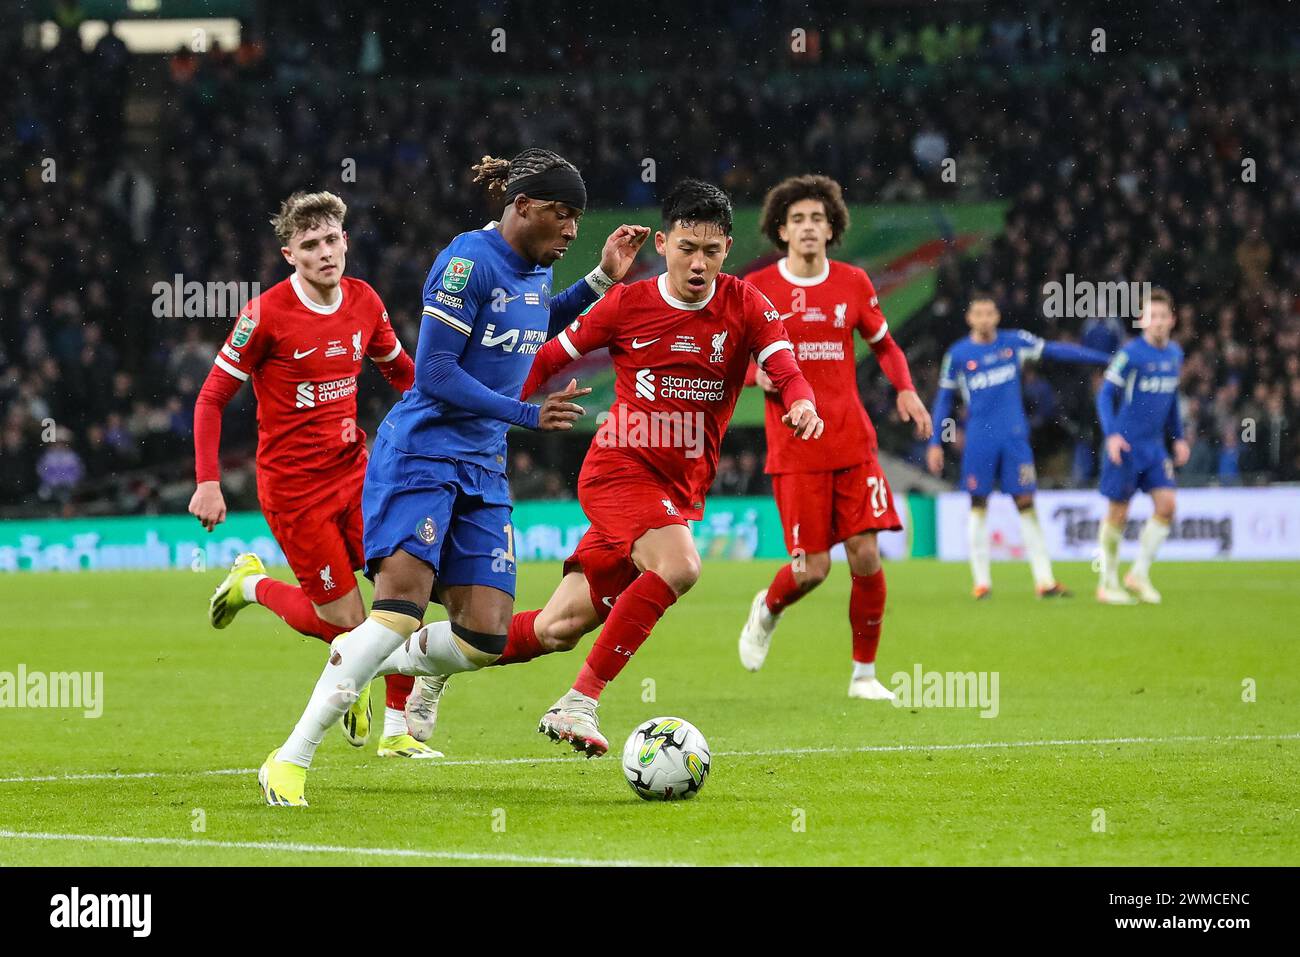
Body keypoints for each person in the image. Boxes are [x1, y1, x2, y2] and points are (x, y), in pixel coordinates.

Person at [256, 150, 649, 805]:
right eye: (563, 213)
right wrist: (526, 411)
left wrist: (601, 280)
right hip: (424, 455)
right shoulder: (466, 262)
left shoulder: (535, 269)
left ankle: (388, 660)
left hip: (483, 466)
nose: (573, 229)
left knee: (485, 635)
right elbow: (434, 372)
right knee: (397, 609)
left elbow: (529, 324)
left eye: (577, 217)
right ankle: (290, 758)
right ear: (522, 206)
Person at [383, 179, 821, 758]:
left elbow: (785, 366)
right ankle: (578, 703)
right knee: (681, 565)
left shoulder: (745, 304)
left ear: (727, 252)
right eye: (687, 247)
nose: (698, 263)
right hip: (619, 470)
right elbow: (543, 359)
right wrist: (494, 416)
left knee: (556, 629)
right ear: (662, 244)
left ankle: (435, 660)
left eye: (711, 252)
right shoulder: (626, 303)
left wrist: (802, 401)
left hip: (678, 486)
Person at [189, 190, 430, 758]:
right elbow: (210, 399)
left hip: (357, 475)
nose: (325, 252)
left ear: (345, 241)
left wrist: (441, 420)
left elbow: (401, 373)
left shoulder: (365, 302)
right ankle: (251, 584)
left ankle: (398, 731)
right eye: (310, 245)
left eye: (331, 240)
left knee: (407, 587)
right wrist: (207, 480)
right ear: (288, 255)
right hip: (296, 493)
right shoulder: (265, 315)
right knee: (347, 624)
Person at [737, 174, 932, 700]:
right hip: (796, 450)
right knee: (812, 569)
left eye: (817, 219)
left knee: (866, 555)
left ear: (832, 228)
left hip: (852, 443)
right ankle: (768, 608)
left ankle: (864, 675)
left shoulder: (853, 283)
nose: (808, 227)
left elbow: (886, 346)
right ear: (781, 229)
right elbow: (740, 362)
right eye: (797, 219)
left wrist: (906, 390)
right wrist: (765, 377)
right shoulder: (759, 290)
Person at [927, 295, 1111, 598]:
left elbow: (1056, 351)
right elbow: (944, 401)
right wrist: (937, 441)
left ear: (997, 316)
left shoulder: (1014, 343)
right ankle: (982, 582)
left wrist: (1103, 359)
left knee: (1026, 503)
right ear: (969, 318)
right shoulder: (958, 355)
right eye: (978, 313)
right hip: (979, 440)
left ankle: (1045, 581)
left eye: (989, 312)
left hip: (1014, 438)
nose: (984, 318)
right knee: (977, 505)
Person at [1095, 288, 1188, 605]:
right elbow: (1105, 395)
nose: (1158, 322)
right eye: (1152, 316)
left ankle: (1138, 574)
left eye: (1164, 316)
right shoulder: (1130, 354)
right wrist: (1111, 435)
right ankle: (1107, 583)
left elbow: (1172, 399)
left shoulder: (1175, 354)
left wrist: (1178, 436)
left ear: (1172, 320)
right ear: (1141, 320)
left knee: (1167, 506)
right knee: (1118, 513)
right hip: (1126, 445)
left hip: (1154, 448)